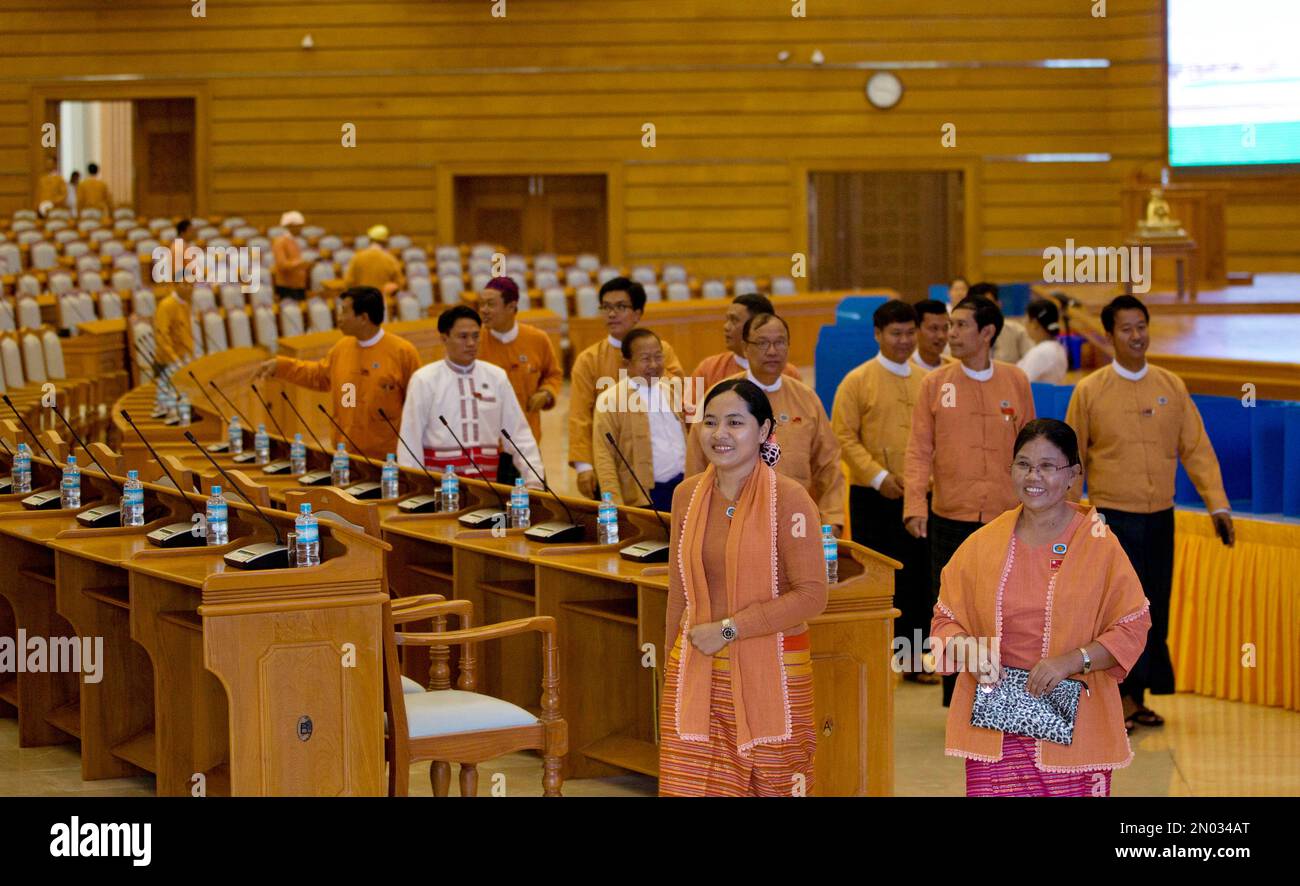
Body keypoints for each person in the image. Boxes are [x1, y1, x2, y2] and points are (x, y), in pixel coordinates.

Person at [931, 419, 1150, 796]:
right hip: (998, 721)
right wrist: (970, 650)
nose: (1034, 476)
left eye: (1048, 466)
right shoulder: (983, 543)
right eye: (1024, 464)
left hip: (1076, 722)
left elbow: (1132, 624)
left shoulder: (1097, 542)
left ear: (1073, 474)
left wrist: (1071, 661)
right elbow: (945, 621)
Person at [1065, 294, 1234, 731]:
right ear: (1109, 336)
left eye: (1142, 326)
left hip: (1160, 516)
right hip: (1110, 521)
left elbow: (1196, 449)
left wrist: (1217, 504)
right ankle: (1114, 700)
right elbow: (1073, 459)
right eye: (1126, 329)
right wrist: (1067, 518)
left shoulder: (1170, 386)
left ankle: (1136, 698)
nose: (1137, 336)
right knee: (1115, 612)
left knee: (1150, 609)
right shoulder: (1089, 391)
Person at [659, 379, 828, 797]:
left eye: (735, 422)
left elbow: (812, 595)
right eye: (710, 422)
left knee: (772, 783)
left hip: (771, 670)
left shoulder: (790, 499)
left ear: (765, 430)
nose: (720, 434)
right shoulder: (686, 496)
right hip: (696, 668)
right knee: (694, 784)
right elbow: (679, 590)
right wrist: (670, 669)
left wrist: (730, 629)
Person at [904, 294, 1035, 705]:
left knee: (1007, 604)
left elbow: (1030, 447)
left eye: (960, 326)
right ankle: (958, 696)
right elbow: (918, 449)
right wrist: (914, 505)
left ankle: (1007, 692)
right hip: (950, 514)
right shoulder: (935, 384)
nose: (950, 334)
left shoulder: (1015, 380)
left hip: (1006, 515)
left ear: (987, 332)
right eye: (949, 325)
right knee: (953, 607)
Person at [831, 300, 933, 680]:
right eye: (896, 333)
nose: (904, 341)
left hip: (918, 495)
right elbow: (843, 436)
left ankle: (915, 659)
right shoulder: (856, 381)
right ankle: (875, 655)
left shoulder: (926, 381)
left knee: (919, 576)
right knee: (879, 576)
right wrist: (879, 477)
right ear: (877, 335)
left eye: (910, 333)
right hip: (873, 497)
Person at [686, 312, 845, 535]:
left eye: (779, 342)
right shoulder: (720, 396)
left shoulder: (806, 398)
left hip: (795, 521)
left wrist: (833, 520)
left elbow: (828, 464)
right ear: (745, 347)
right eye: (762, 343)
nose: (772, 351)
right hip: (732, 520)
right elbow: (697, 462)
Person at [253, 286, 421, 460]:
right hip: (345, 454)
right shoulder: (341, 348)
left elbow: (418, 405)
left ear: (363, 317)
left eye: (344, 311)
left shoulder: (403, 352)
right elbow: (318, 376)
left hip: (388, 459)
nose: (339, 318)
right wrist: (281, 366)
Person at [398, 305, 542, 487]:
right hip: (440, 489)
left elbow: (518, 433)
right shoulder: (424, 380)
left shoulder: (496, 376)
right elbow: (410, 439)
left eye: (475, 336)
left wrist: (535, 479)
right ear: (444, 338)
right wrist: (414, 488)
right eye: (463, 336)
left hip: (487, 488)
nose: (471, 343)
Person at [569, 277, 684, 499]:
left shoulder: (662, 352)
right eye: (606, 307)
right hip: (612, 456)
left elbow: (677, 397)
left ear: (638, 313)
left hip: (659, 462)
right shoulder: (589, 359)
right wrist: (585, 467)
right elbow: (579, 415)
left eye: (620, 307)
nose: (612, 314)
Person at [592, 328, 686, 511]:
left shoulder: (673, 389)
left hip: (682, 487)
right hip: (646, 495)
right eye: (645, 359)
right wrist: (614, 505)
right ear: (626, 363)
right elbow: (604, 456)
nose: (653, 364)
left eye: (658, 357)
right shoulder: (610, 400)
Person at [475, 276, 563, 470]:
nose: (483, 310)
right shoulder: (474, 342)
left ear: (511, 306)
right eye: (481, 304)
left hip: (527, 444)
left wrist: (546, 392)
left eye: (490, 304)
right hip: (487, 447)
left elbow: (553, 375)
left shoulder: (537, 339)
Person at [689, 292, 801, 403]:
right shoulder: (708, 369)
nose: (726, 327)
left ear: (756, 324)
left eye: (734, 320)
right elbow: (689, 415)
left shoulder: (789, 374)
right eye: (727, 319)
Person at [969, 282, 1034, 364]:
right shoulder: (963, 334)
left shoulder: (1017, 331)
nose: (983, 311)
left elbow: (1032, 363)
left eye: (988, 305)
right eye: (978, 307)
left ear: (999, 304)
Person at [1018, 299, 1069, 383]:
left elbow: (1020, 383)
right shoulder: (1056, 347)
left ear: (1034, 323)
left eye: (1026, 319)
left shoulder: (1042, 351)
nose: (1024, 323)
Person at [344, 225, 404, 296]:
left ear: (370, 240)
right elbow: (399, 283)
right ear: (385, 241)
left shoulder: (357, 258)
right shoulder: (390, 259)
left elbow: (348, 282)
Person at [152, 281, 195, 368]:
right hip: (167, 363)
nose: (189, 288)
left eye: (191, 285)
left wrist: (190, 356)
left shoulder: (185, 304)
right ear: (175, 285)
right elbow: (162, 336)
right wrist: (175, 360)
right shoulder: (166, 305)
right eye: (185, 284)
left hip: (184, 360)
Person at [272, 211, 309, 300]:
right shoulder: (280, 242)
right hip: (287, 287)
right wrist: (301, 264)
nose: (301, 228)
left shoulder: (294, 241)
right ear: (291, 226)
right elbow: (282, 265)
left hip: (298, 286)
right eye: (299, 226)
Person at [913, 299, 952, 373]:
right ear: (916, 330)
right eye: (934, 328)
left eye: (945, 328)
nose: (941, 336)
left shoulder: (955, 368)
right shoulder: (905, 369)